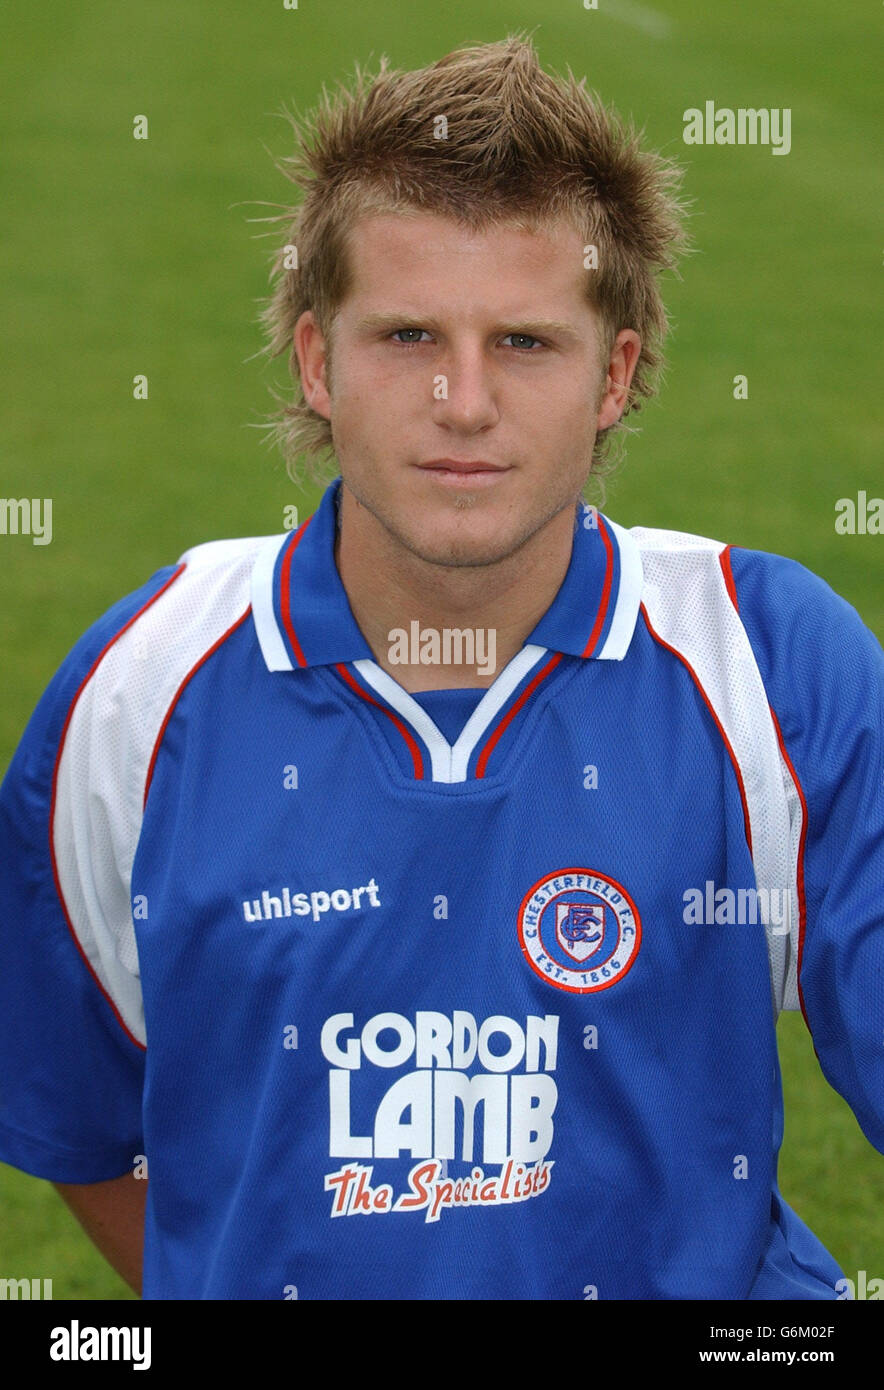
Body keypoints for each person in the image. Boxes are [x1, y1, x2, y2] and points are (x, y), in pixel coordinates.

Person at [0, 35, 881, 1302]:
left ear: (614, 375)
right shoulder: (143, 689)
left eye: (523, 343)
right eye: (407, 333)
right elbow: (82, 1124)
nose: (460, 401)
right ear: (316, 360)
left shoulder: (769, 663)